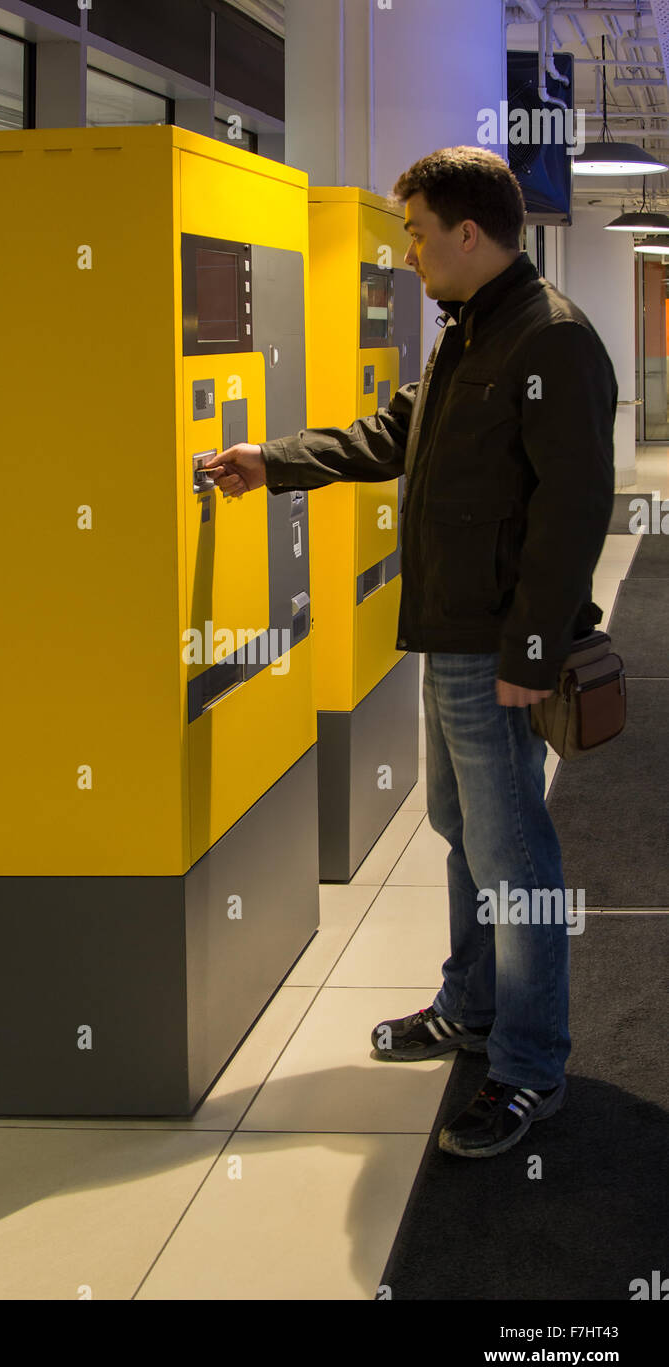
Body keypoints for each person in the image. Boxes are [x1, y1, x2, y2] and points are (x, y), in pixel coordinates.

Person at [201, 145, 617, 1159]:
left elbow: (572, 511)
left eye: (416, 233)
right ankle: (469, 1008)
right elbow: (399, 435)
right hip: (447, 633)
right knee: (457, 825)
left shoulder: (548, 339)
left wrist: (526, 646)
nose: (409, 251)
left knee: (511, 847)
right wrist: (276, 460)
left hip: (495, 647)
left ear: (466, 234)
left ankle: (526, 1064)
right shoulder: (467, 331)